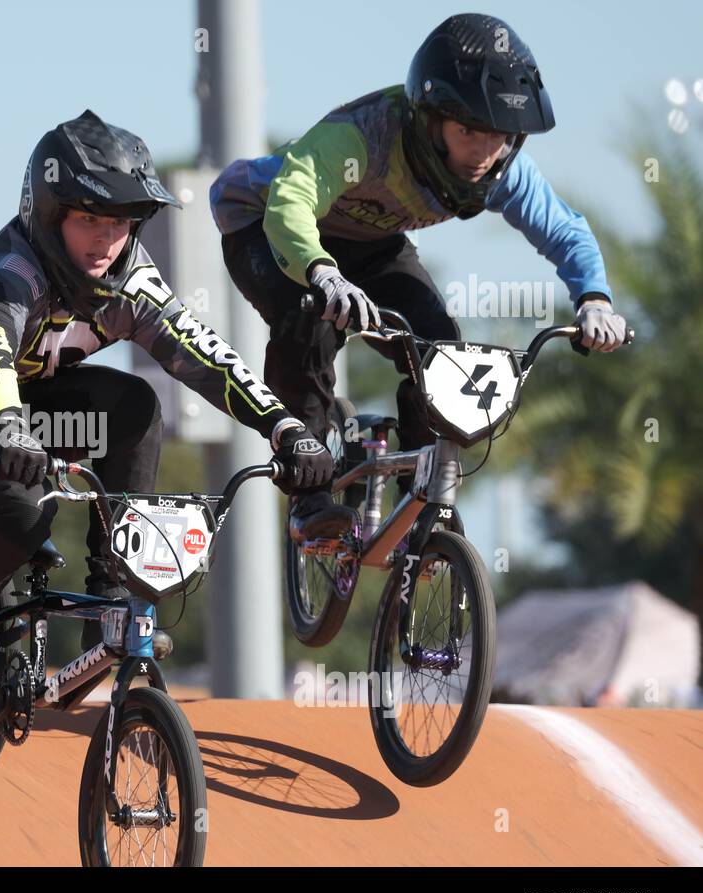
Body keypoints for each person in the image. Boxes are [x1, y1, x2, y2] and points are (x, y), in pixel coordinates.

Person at [0, 110, 331, 748]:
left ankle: (108, 598)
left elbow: (199, 353)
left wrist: (282, 424)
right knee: (16, 509)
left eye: (120, 223)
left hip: (29, 402)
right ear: (49, 213)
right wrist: (9, 429)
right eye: (89, 218)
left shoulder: (130, 280)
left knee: (138, 407)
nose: (106, 240)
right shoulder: (7, 272)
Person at [209, 13, 629, 541]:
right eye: (468, 131)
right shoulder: (365, 135)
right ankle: (310, 496)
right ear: (430, 119)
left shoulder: (500, 168)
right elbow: (290, 204)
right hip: (264, 225)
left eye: (498, 135)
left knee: (445, 357)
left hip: (372, 245)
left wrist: (594, 299)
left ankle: (422, 490)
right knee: (309, 320)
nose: (482, 152)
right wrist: (321, 273)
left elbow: (565, 230)